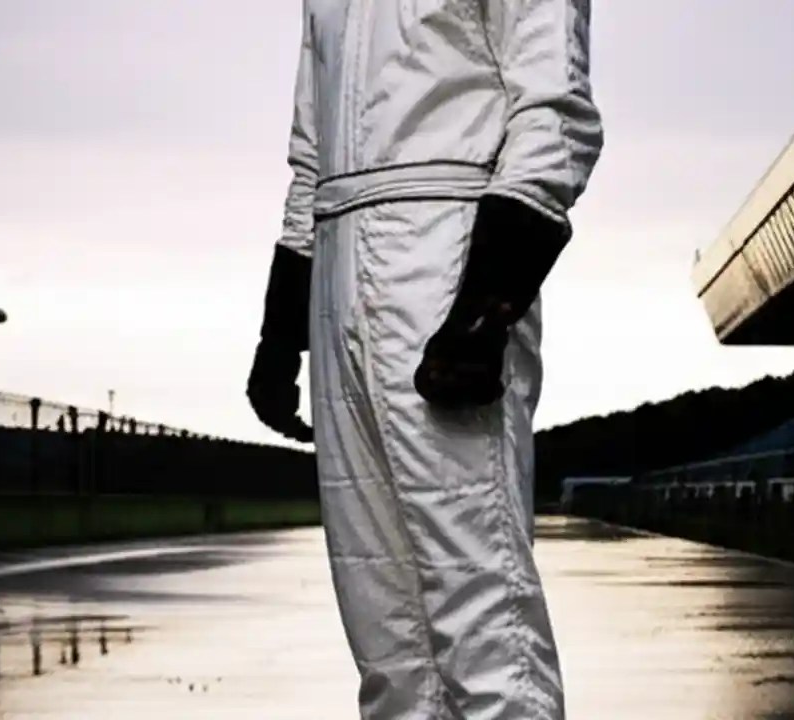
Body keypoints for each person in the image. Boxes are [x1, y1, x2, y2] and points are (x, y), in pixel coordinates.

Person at [247, 1, 603, 717]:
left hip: (444, 254)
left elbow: (556, 110)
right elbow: (311, 155)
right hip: (337, 269)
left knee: (485, 620)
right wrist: (281, 331)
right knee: (388, 648)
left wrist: (485, 305)